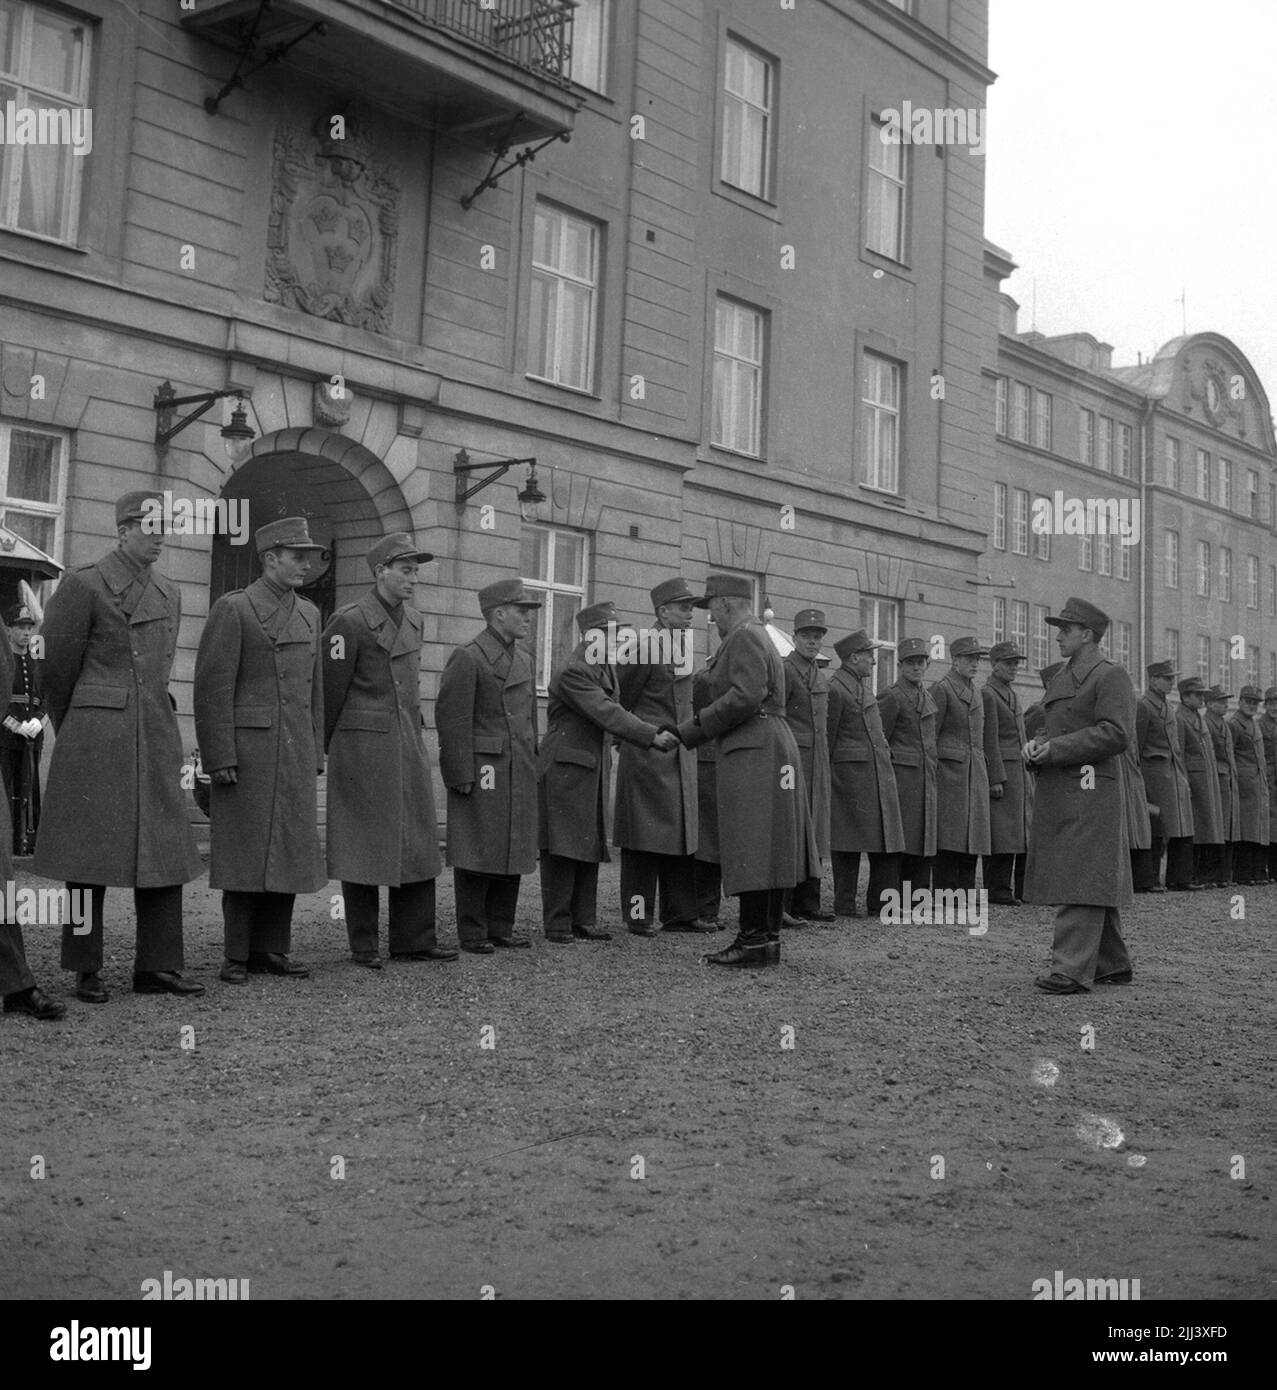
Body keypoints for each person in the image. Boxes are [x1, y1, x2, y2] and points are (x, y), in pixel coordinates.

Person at [33, 490, 204, 1002]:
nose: (159, 535)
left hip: (153, 730)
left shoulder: (169, 592)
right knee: (90, 858)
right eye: (148, 526)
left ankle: (158, 966)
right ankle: (86, 968)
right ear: (122, 530)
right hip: (96, 736)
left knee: (165, 850)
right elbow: (53, 669)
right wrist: (81, 725)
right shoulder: (84, 584)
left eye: (164, 526)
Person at [195, 517, 326, 984]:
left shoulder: (310, 614)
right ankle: (235, 955)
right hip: (247, 752)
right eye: (296, 556)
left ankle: (273, 950)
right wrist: (219, 756)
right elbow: (212, 689)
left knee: (289, 849)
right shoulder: (235, 609)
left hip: (292, 749)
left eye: (308, 556)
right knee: (244, 853)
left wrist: (315, 750)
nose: (305, 564)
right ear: (270, 559)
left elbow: (315, 691)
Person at [322, 534, 455, 969]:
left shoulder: (415, 621)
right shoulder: (349, 621)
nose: (413, 579)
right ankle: (363, 945)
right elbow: (329, 691)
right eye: (405, 570)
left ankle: (414, 940)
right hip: (361, 746)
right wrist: (323, 752)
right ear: (380, 571)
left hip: (406, 742)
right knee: (364, 844)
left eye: (416, 571)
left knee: (416, 840)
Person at [673, 575, 818, 967]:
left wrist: (693, 728)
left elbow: (745, 695)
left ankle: (753, 940)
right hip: (768, 740)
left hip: (754, 744)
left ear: (724, 604)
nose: (710, 619)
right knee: (768, 844)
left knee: (752, 843)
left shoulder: (742, 636)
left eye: (711, 610)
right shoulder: (759, 633)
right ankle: (765, 939)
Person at [539, 602, 676, 943]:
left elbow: (611, 711)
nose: (615, 639)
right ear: (588, 635)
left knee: (589, 840)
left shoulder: (601, 666)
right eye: (609, 633)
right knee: (563, 844)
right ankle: (558, 923)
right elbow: (606, 711)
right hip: (567, 765)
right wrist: (649, 735)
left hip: (589, 764)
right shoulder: (576, 668)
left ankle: (582, 919)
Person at [1023, 598, 1135, 994]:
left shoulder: (1110, 676)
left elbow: (1116, 733)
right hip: (1065, 786)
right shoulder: (1065, 676)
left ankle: (1070, 969)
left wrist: (1057, 749)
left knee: (1079, 873)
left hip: (1090, 788)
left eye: (1064, 630)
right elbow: (1050, 725)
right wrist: (1035, 746)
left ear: (1087, 635)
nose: (1056, 636)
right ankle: (1110, 962)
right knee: (1087, 870)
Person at [436, 579, 541, 954]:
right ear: (498, 614)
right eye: (521, 611)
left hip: (517, 765)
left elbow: (530, 722)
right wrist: (459, 773)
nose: (529, 618)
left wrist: (533, 762)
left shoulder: (525, 659)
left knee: (512, 845)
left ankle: (502, 926)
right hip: (485, 767)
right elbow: (452, 719)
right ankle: (473, 930)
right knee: (478, 846)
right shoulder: (469, 656)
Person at [613, 578, 704, 936]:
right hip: (648, 754)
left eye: (691, 608)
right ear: (662, 611)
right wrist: (642, 737)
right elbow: (622, 701)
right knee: (643, 840)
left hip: (679, 753)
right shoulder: (642, 647)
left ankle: (680, 914)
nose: (689, 614)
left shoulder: (682, 646)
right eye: (683, 608)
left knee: (681, 837)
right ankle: (638, 916)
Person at [0, 610, 64, 1021]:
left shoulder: (24, 657)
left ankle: (17, 983)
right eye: (19, 625)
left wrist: (33, 723)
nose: (26, 632)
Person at [826, 629, 905, 919]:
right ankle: (844, 904)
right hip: (848, 779)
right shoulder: (836, 688)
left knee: (881, 843)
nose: (873, 662)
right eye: (868, 656)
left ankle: (880, 904)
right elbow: (828, 741)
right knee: (846, 845)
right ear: (853, 658)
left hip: (872, 775)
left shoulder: (857, 685)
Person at [781, 608, 833, 925]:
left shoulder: (818, 673)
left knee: (816, 829)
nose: (812, 642)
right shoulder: (785, 670)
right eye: (807, 636)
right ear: (795, 637)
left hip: (818, 761)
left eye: (817, 637)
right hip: (793, 759)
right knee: (791, 828)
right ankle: (784, 904)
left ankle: (808, 903)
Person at [876, 636, 938, 899]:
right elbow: (882, 740)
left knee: (923, 837)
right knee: (901, 840)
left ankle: (917, 895)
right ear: (900, 665)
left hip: (925, 776)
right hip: (901, 779)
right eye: (911, 663)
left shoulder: (926, 695)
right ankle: (893, 897)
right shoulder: (892, 696)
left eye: (921, 662)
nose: (916, 668)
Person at [929, 636, 991, 892]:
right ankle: (946, 891)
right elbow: (930, 733)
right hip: (950, 773)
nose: (975, 664)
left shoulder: (975, 690)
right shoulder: (942, 689)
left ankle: (964, 890)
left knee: (972, 835)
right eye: (969, 659)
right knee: (950, 836)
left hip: (974, 770)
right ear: (955, 661)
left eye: (977, 659)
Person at [1133, 660, 1195, 892]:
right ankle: (1149, 879)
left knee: (1180, 825)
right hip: (1153, 772)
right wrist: (1138, 779)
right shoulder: (1144, 705)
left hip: (1173, 770)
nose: (1171, 682)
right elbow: (1136, 746)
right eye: (1167, 678)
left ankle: (1178, 877)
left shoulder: (1168, 706)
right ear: (1153, 680)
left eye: (1172, 678)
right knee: (1156, 826)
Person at [981, 641, 1031, 906]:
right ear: (994, 665)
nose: (1014, 667)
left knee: (1016, 831)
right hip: (1003, 770)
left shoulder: (1011, 693)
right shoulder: (989, 693)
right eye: (1009, 663)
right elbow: (989, 740)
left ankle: (1009, 887)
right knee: (1001, 832)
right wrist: (995, 777)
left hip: (1018, 768)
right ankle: (997, 888)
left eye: (1016, 663)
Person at [0, 602, 44, 856]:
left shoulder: (37, 660)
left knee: (28, 790)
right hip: (6, 737)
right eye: (20, 627)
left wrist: (38, 720)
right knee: (6, 790)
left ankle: (25, 843)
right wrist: (16, 726)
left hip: (32, 738)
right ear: (8, 630)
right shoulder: (4, 660)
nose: (26, 633)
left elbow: (45, 696)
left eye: (29, 628)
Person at [1175, 677, 1224, 891]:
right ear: (1185, 696)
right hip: (1193, 779)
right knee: (1197, 827)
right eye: (1197, 695)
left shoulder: (1197, 717)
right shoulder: (1180, 717)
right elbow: (1180, 753)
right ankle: (1193, 874)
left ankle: (1204, 874)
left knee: (1207, 827)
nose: (1202, 698)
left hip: (1206, 777)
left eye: (1203, 695)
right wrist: (1184, 780)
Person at [1227, 686, 1270, 886]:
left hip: (1257, 781)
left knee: (1257, 828)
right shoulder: (1234, 724)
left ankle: (1256, 871)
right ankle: (1243, 873)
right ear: (1241, 701)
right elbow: (1230, 755)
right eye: (1249, 702)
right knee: (1245, 829)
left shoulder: (1253, 724)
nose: (1252, 706)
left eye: (1255, 703)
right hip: (1244, 783)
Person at [1200, 688, 1240, 888]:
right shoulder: (1207, 723)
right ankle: (1215, 875)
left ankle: (1224, 875)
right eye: (1220, 701)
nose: (1225, 704)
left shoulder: (1223, 723)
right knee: (1217, 827)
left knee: (1227, 827)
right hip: (1217, 778)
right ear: (1209, 704)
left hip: (1227, 778)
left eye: (1226, 700)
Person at [1260, 688, 1277, 883]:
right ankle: (1270, 868)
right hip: (1267, 778)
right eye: (1271, 704)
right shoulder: (1260, 725)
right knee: (1269, 824)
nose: (1275, 708)